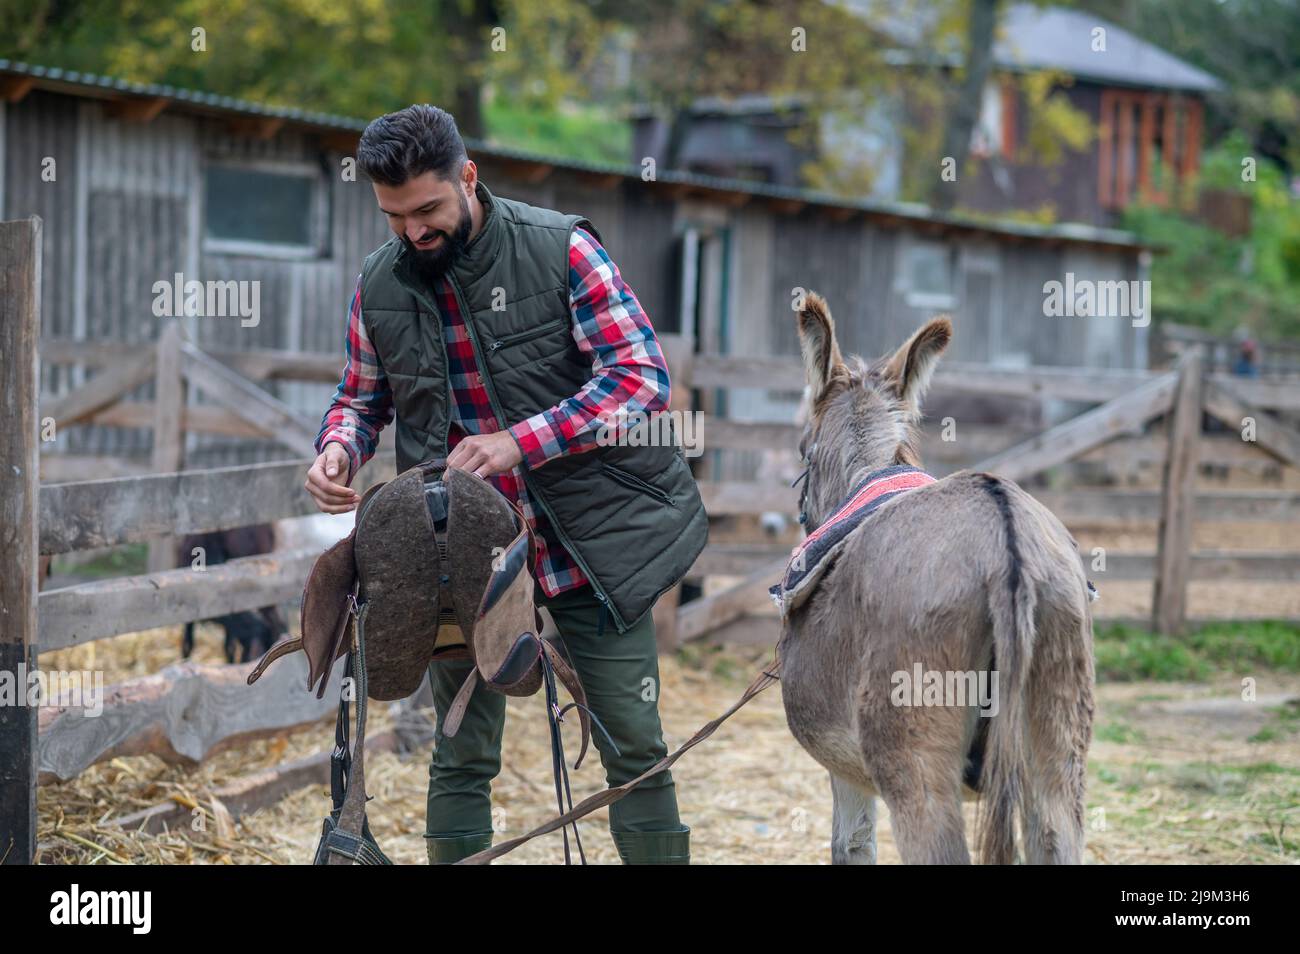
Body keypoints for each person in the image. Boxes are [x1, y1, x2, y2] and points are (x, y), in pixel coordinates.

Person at [304, 104, 706, 864]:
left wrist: (519, 443)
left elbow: (642, 378)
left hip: (589, 542)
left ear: (469, 176)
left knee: (634, 744)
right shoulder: (379, 281)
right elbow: (361, 398)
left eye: (428, 209)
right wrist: (336, 450)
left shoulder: (562, 249)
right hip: (460, 553)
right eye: (395, 217)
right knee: (460, 752)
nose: (414, 232)